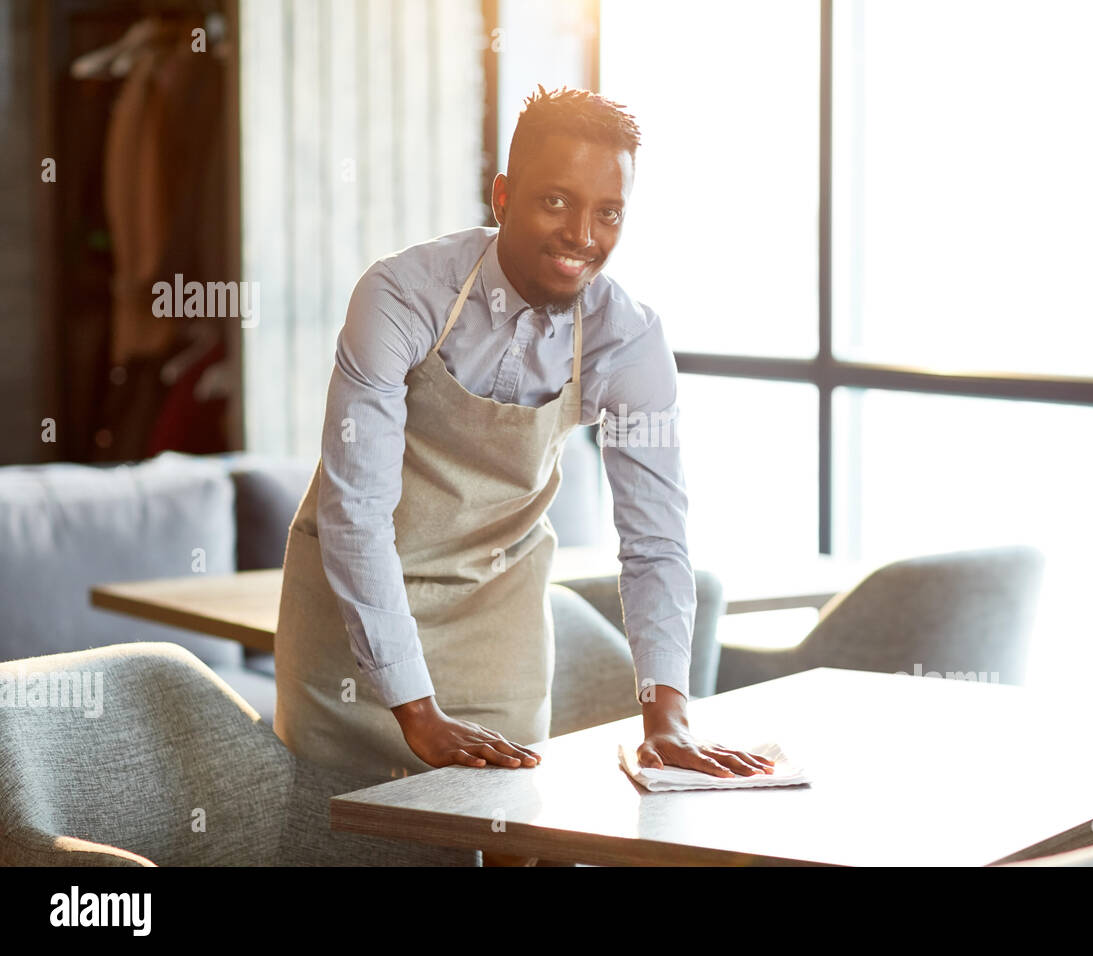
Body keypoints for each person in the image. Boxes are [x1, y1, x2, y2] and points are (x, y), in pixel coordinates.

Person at [273, 85, 773, 866]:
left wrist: (666, 715)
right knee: (340, 848)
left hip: (494, 616)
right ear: (502, 196)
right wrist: (413, 705)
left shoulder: (628, 340)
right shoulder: (401, 295)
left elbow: (653, 543)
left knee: (512, 849)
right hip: (349, 622)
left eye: (608, 213)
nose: (582, 235)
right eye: (555, 202)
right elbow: (356, 514)